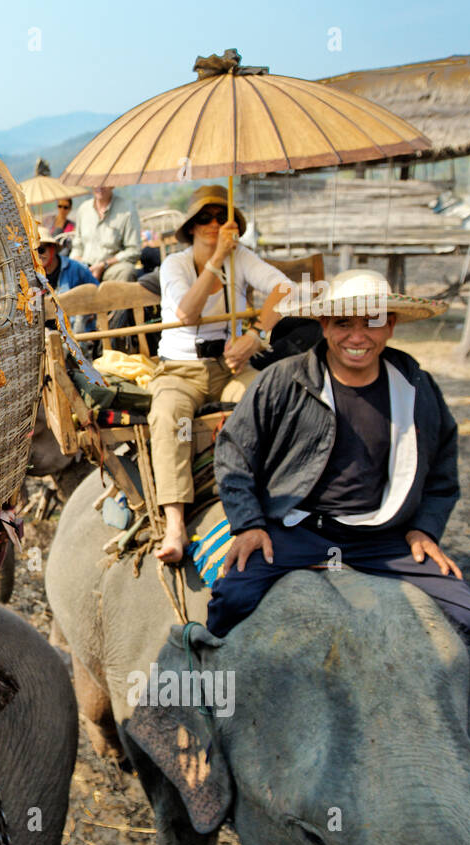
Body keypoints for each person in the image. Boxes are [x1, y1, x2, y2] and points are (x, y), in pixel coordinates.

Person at [208, 269, 470, 646]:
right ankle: (209, 689)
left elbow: (443, 470)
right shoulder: (283, 380)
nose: (357, 336)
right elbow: (234, 452)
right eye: (343, 322)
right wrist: (248, 524)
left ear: (390, 325)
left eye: (372, 321)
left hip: (381, 536)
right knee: (230, 603)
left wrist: (424, 528)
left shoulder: (416, 386)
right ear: (324, 325)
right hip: (300, 529)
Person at [150, 184, 293, 563]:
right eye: (205, 218)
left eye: (220, 218)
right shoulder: (175, 265)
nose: (214, 225)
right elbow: (187, 313)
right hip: (180, 370)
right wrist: (216, 260)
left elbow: (287, 289)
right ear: (192, 227)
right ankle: (175, 524)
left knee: (263, 400)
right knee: (168, 416)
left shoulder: (241, 257)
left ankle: (267, 500)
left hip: (229, 367)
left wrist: (255, 335)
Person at [73, 185, 141, 283]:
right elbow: (77, 246)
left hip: (112, 268)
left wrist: (104, 264)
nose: (99, 186)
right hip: (85, 267)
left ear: (112, 184)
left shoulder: (127, 210)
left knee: (126, 271)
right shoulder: (83, 209)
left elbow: (134, 250)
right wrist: (78, 261)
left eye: (104, 182)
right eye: (95, 182)